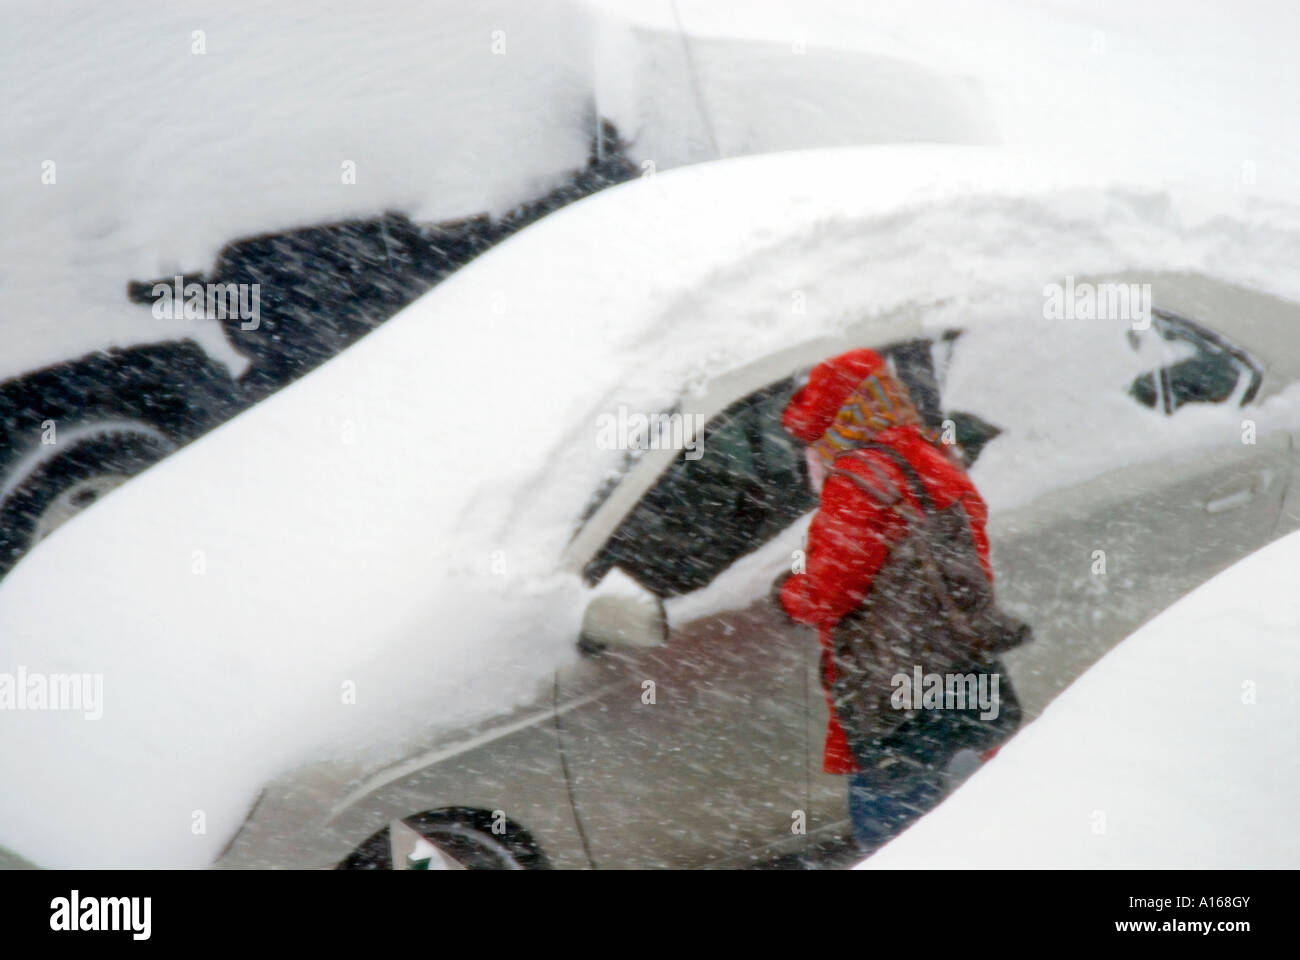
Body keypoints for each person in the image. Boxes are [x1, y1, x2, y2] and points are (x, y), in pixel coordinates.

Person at [778, 347, 1022, 850]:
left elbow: (830, 590)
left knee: (896, 833)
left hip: (898, 691)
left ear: (837, 424)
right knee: (979, 829)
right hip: (961, 665)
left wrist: (790, 594)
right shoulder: (934, 459)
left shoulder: (859, 480)